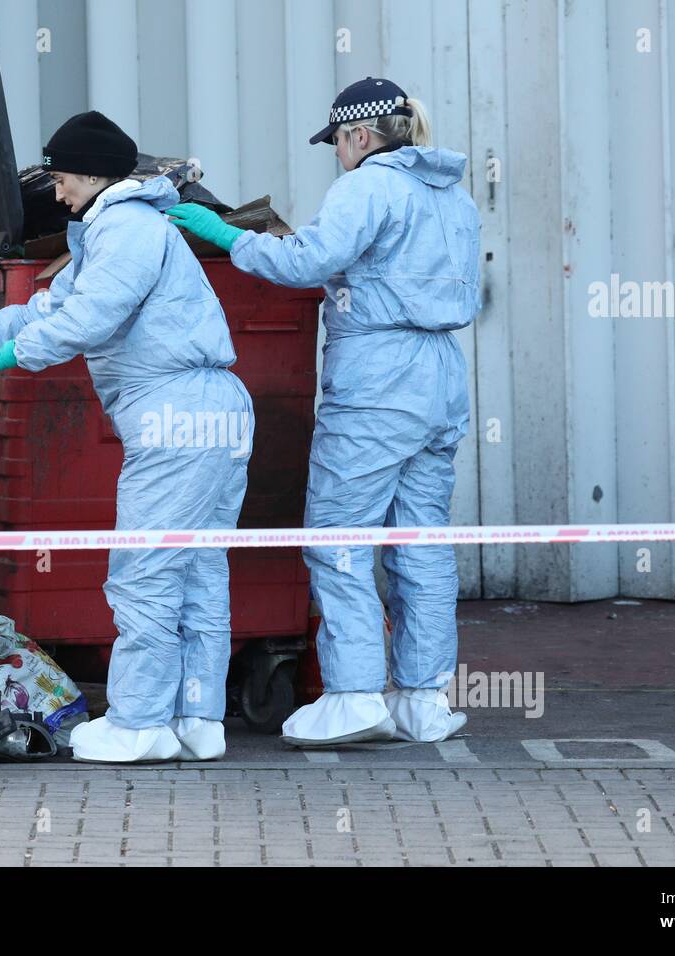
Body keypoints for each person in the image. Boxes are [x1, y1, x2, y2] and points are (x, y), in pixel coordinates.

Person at [0, 111, 254, 762]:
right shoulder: (122, 228)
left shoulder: (123, 226)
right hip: (215, 413)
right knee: (198, 570)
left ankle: (140, 723)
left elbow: (83, 321)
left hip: (177, 414)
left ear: (92, 174)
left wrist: (6, 359)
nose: (56, 192)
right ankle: (198, 719)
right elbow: (46, 309)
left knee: (144, 572)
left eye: (61, 178)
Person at [168, 78, 479, 747]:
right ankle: (422, 701)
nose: (336, 153)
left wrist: (227, 237)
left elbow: (308, 261)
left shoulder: (367, 187)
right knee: (419, 541)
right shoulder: (453, 195)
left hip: (378, 376)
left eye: (337, 141)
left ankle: (355, 694)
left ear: (360, 136)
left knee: (338, 536)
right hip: (443, 375)